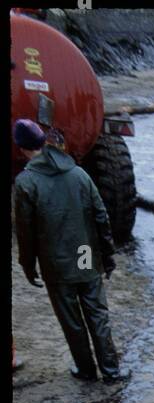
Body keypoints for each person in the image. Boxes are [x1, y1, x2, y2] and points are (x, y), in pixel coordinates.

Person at [12, 119, 128, 384]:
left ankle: (86, 370)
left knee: (72, 321)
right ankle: (111, 370)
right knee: (97, 313)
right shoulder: (78, 173)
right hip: (86, 253)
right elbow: (101, 217)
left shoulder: (26, 183)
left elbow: (25, 233)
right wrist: (108, 255)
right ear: (44, 140)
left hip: (56, 262)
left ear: (20, 148)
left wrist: (28, 266)